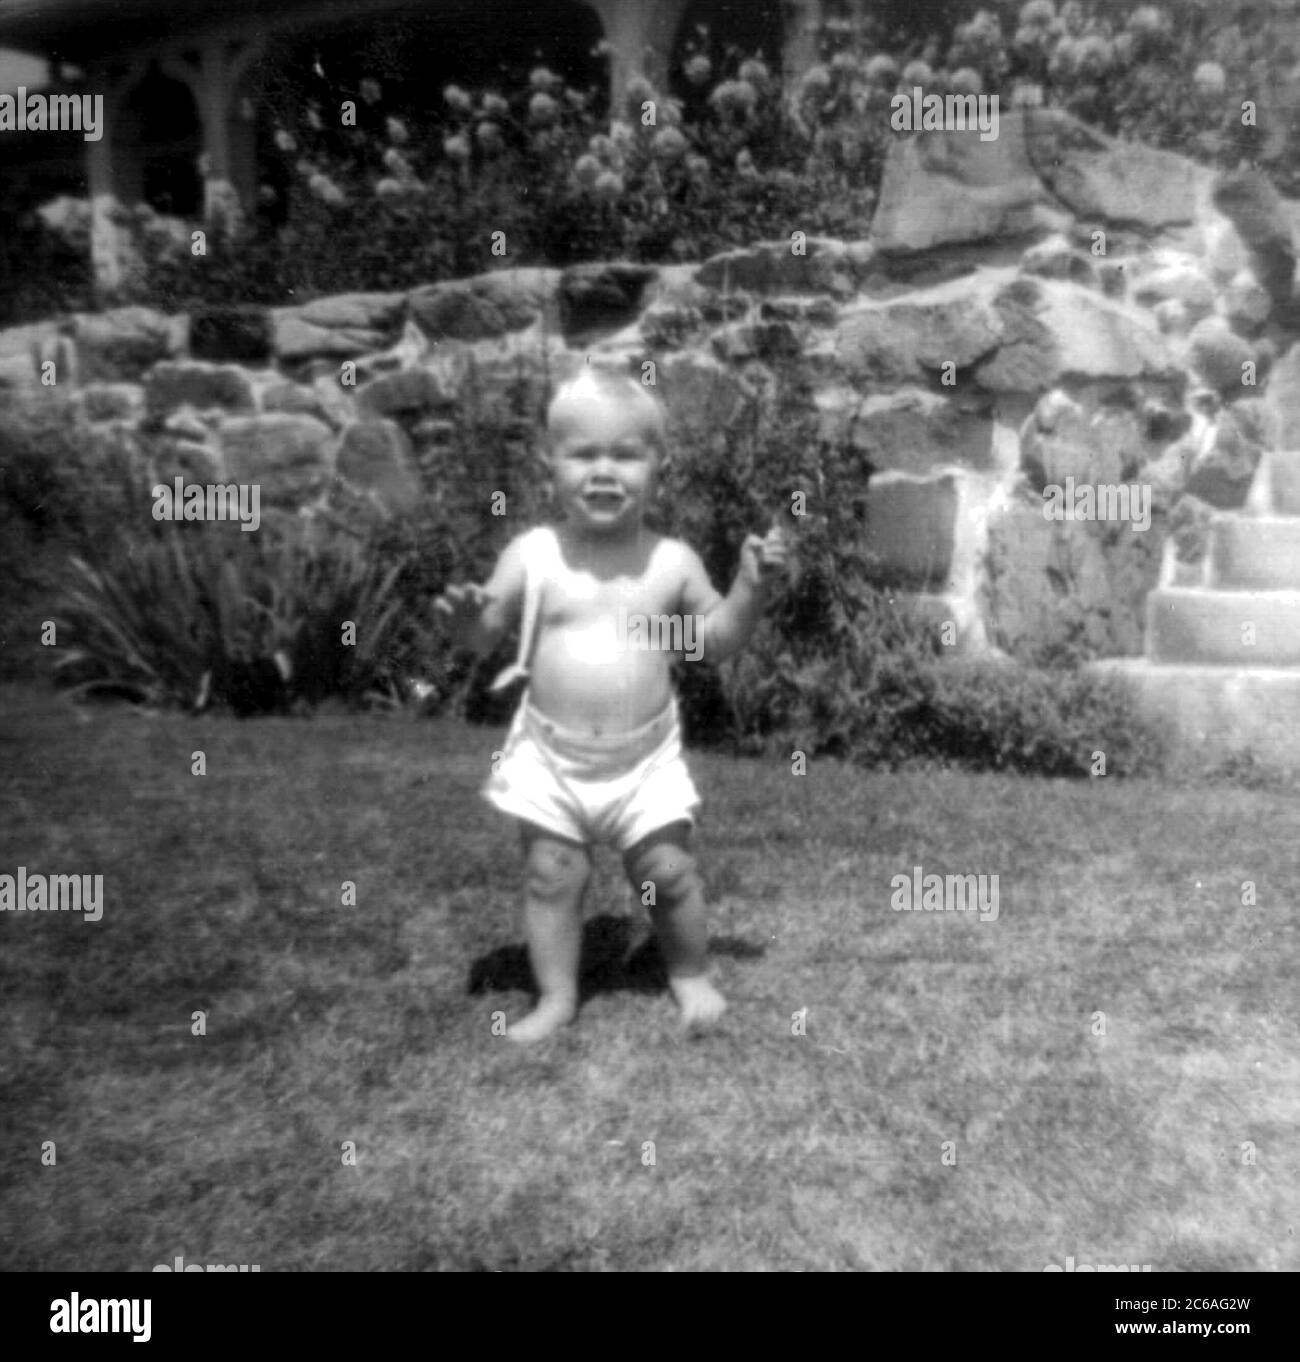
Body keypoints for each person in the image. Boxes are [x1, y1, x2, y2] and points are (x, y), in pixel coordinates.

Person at [435, 369, 787, 1041]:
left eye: (625, 455)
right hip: (551, 756)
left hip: (643, 761)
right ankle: (557, 996)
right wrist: (466, 624)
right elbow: (484, 633)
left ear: (660, 466)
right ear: (550, 464)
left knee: (668, 871)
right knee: (551, 875)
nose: (603, 472)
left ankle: (689, 973)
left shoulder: (669, 563)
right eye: (583, 454)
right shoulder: (536, 555)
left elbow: (713, 642)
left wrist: (749, 588)